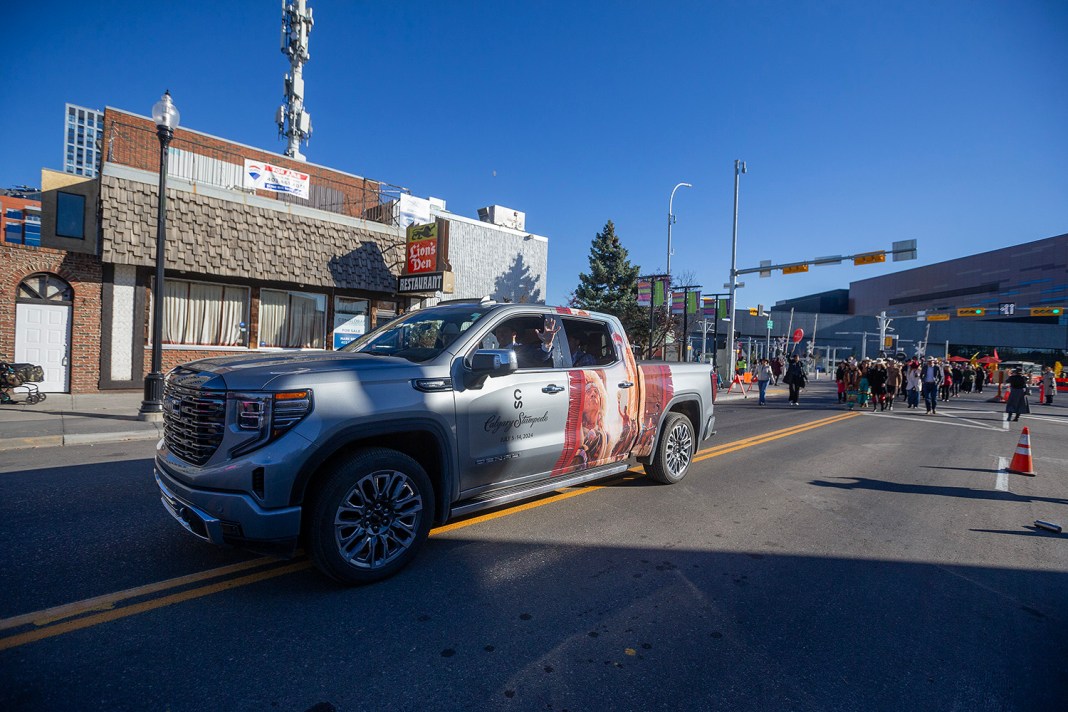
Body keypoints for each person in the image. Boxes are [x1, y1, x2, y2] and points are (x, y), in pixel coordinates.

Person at [494, 317, 560, 368]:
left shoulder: (523, 350)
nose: (501, 334)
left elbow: (540, 357)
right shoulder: (492, 351)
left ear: (514, 334)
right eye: (498, 332)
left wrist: (547, 344)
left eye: (505, 331)